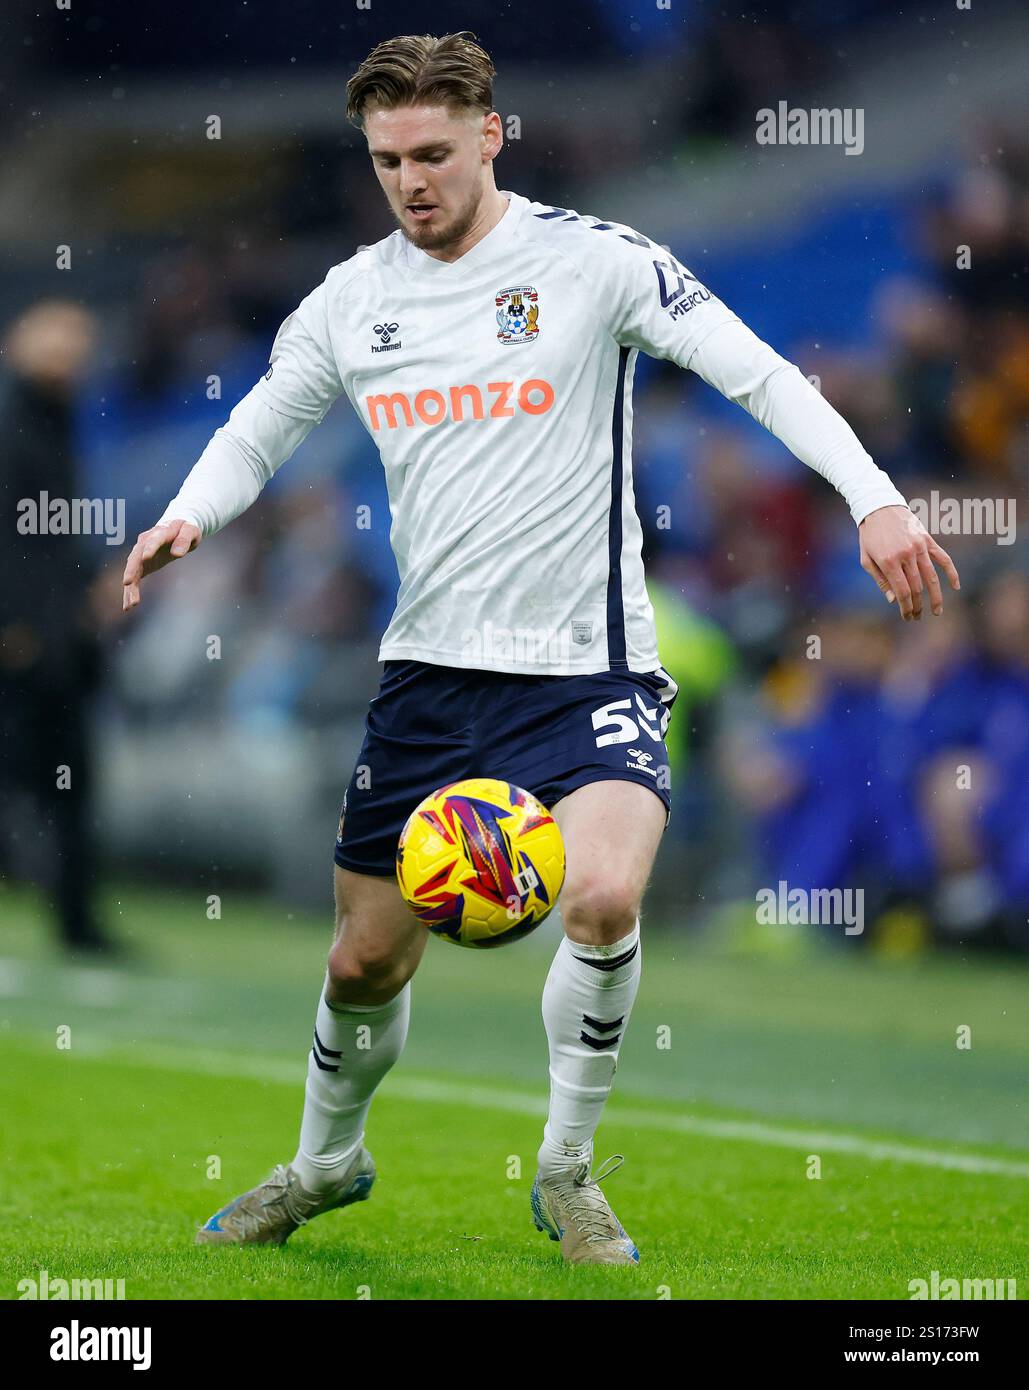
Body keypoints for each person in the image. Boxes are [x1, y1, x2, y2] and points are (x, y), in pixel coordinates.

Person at [121, 32, 960, 1264]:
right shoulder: (354, 297)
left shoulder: (594, 264)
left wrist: (875, 496)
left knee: (607, 893)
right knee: (361, 961)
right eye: (388, 159)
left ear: (492, 136)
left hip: (588, 666)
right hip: (429, 680)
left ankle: (565, 1168)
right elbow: (260, 423)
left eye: (434, 153)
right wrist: (191, 510)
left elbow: (762, 375)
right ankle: (324, 1162)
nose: (411, 180)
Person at [0, 300, 110, 954]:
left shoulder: (57, 420)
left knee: (70, 784)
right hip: (20, 641)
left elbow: (52, 531)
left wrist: (87, 584)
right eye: (58, 340)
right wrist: (11, 622)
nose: (71, 354)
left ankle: (77, 924)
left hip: (57, 642)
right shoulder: (12, 421)